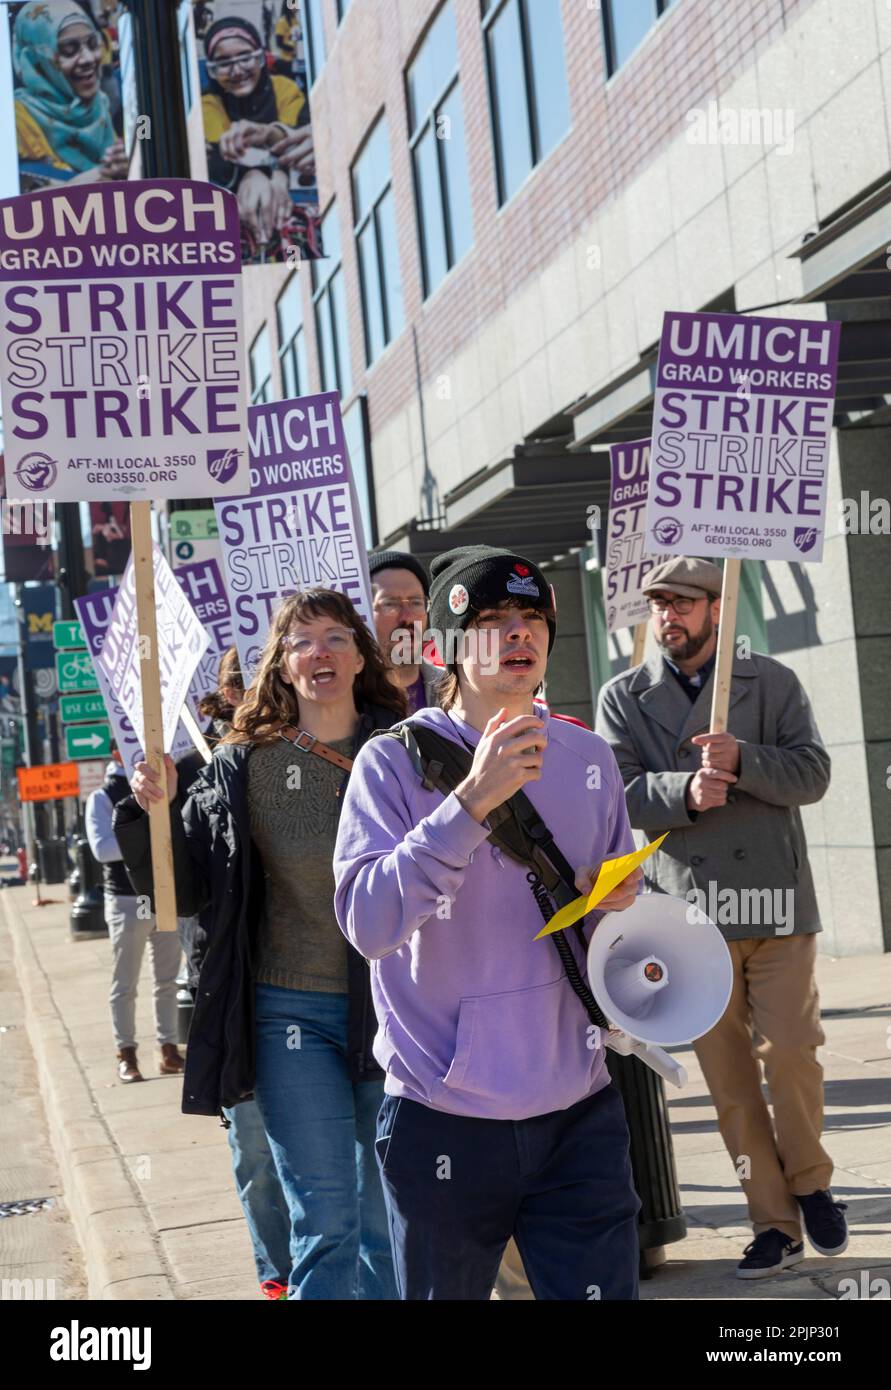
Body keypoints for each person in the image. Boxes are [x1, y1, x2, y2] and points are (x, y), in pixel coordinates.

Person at [334, 545, 644, 1301]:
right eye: (493, 619)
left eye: (532, 616)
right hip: (443, 1118)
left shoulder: (588, 756)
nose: (518, 633)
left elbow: (614, 927)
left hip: (581, 1106)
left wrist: (624, 901)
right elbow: (368, 923)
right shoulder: (390, 764)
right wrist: (469, 805)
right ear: (440, 647)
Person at [114, 589, 404, 1300]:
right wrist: (149, 810)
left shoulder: (405, 751)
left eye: (337, 636)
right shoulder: (241, 769)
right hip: (289, 1017)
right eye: (303, 641)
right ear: (282, 664)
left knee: (385, 1223)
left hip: (396, 1015)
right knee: (325, 1219)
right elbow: (182, 893)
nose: (321, 651)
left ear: (360, 654)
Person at [594, 555, 845, 1280]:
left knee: (793, 1050)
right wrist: (684, 791)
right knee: (728, 1080)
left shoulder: (772, 681)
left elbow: (814, 774)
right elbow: (617, 793)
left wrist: (742, 759)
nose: (667, 617)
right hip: (688, 919)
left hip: (775, 902)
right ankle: (772, 1223)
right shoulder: (624, 694)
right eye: (658, 605)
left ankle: (811, 1182)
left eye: (681, 604)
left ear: (716, 608)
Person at [195, 645, 293, 1301]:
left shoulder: (326, 755)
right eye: (242, 684)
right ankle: (278, 1274)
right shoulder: (207, 773)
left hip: (319, 984)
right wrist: (152, 807)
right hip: (243, 993)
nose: (254, 694)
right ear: (228, 695)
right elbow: (170, 880)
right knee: (255, 1148)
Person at [85, 751, 188, 1084]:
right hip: (128, 900)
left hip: (163, 895)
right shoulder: (102, 796)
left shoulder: (167, 784)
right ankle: (126, 1053)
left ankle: (169, 1049)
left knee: (168, 981)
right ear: (118, 752)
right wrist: (149, 838)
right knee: (125, 982)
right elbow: (102, 849)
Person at [201, 15, 313, 250]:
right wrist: (257, 174)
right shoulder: (209, 104)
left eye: (246, 58)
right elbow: (223, 152)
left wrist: (275, 171)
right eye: (224, 63)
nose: (237, 71)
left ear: (261, 58)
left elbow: (296, 134)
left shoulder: (284, 89)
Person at [12, 1, 127, 188]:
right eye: (68, 49)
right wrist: (106, 172)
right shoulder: (16, 123)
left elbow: (145, 122)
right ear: (35, 59)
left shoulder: (102, 103)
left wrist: (136, 150)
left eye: (92, 43)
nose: (88, 59)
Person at [368, 550, 442, 713]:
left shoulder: (455, 691)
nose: (407, 617)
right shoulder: (346, 700)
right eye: (390, 604)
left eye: (416, 602)